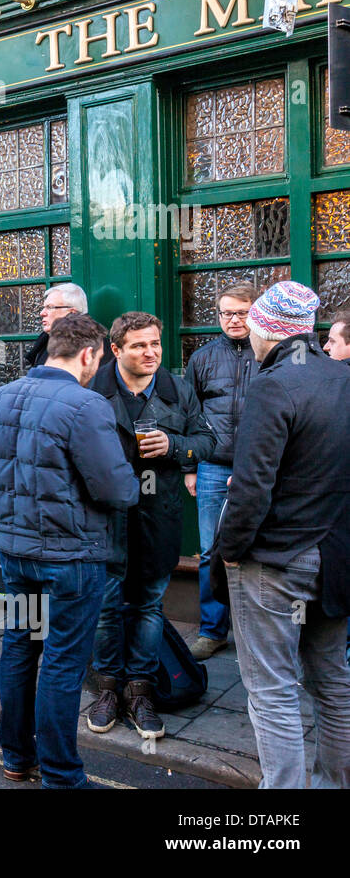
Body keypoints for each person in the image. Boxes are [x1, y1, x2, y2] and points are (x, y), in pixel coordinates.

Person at [0, 314, 139, 787]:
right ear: (90, 354)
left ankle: (16, 757)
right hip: (70, 556)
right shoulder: (86, 405)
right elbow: (115, 490)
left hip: (13, 550)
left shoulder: (0, 398)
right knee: (64, 663)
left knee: (21, 649)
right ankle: (62, 774)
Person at [214, 281, 350, 788]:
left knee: (272, 690)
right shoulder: (342, 378)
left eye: (252, 326)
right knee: (333, 683)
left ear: (267, 330)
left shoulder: (273, 384)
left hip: (275, 561)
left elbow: (251, 489)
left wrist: (229, 550)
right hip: (335, 556)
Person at [87, 312, 215, 740]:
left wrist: (175, 446)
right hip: (105, 517)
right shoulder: (90, 388)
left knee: (148, 606)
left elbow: (207, 440)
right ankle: (106, 689)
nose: (151, 352)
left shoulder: (177, 389)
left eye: (156, 344)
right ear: (116, 349)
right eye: (140, 345)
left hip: (159, 514)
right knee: (106, 607)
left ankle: (140, 691)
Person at [185, 283, 260, 662]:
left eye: (242, 312)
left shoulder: (271, 354)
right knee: (210, 552)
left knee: (259, 551)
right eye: (226, 313)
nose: (233, 319)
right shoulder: (202, 358)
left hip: (259, 469)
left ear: (256, 312)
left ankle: (256, 633)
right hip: (212, 466)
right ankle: (213, 631)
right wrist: (190, 466)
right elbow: (190, 415)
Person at [24, 283, 113, 369]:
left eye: (50, 307)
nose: (42, 313)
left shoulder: (98, 347)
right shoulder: (44, 342)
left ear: (72, 313)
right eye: (44, 307)